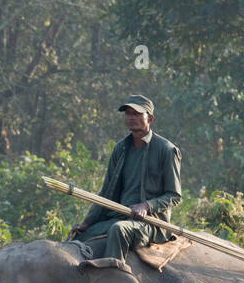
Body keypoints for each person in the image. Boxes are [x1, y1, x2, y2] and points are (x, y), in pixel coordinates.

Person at [69, 95, 181, 260]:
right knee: (77, 238)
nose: (131, 118)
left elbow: (174, 196)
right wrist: (86, 223)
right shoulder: (120, 148)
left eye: (137, 114)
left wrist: (147, 206)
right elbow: (106, 192)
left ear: (150, 118)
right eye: (128, 113)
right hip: (117, 216)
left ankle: (115, 281)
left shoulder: (166, 150)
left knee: (119, 230)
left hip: (151, 223)